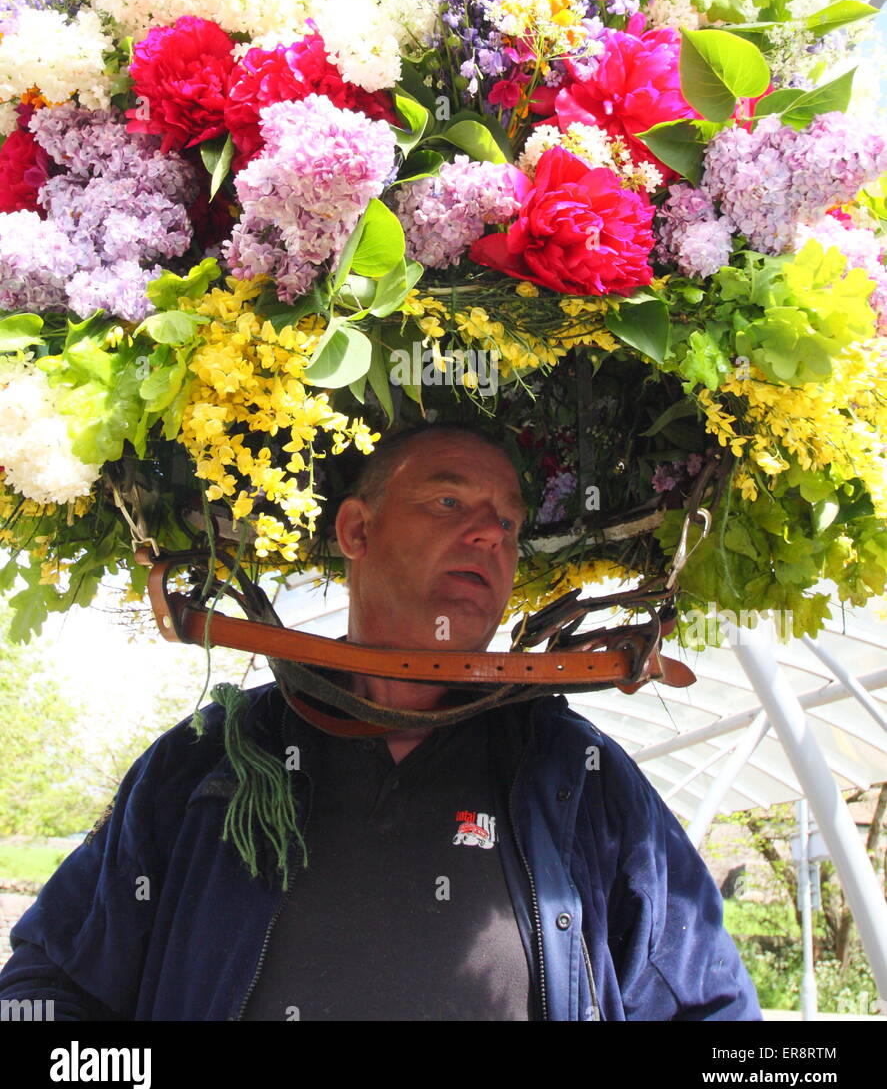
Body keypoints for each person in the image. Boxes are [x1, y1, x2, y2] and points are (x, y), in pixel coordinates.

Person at [0, 424, 760, 1021]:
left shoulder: (578, 776)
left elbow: (709, 1008)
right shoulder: (209, 763)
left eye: (507, 522)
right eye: (448, 503)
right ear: (356, 531)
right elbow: (49, 984)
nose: (490, 535)